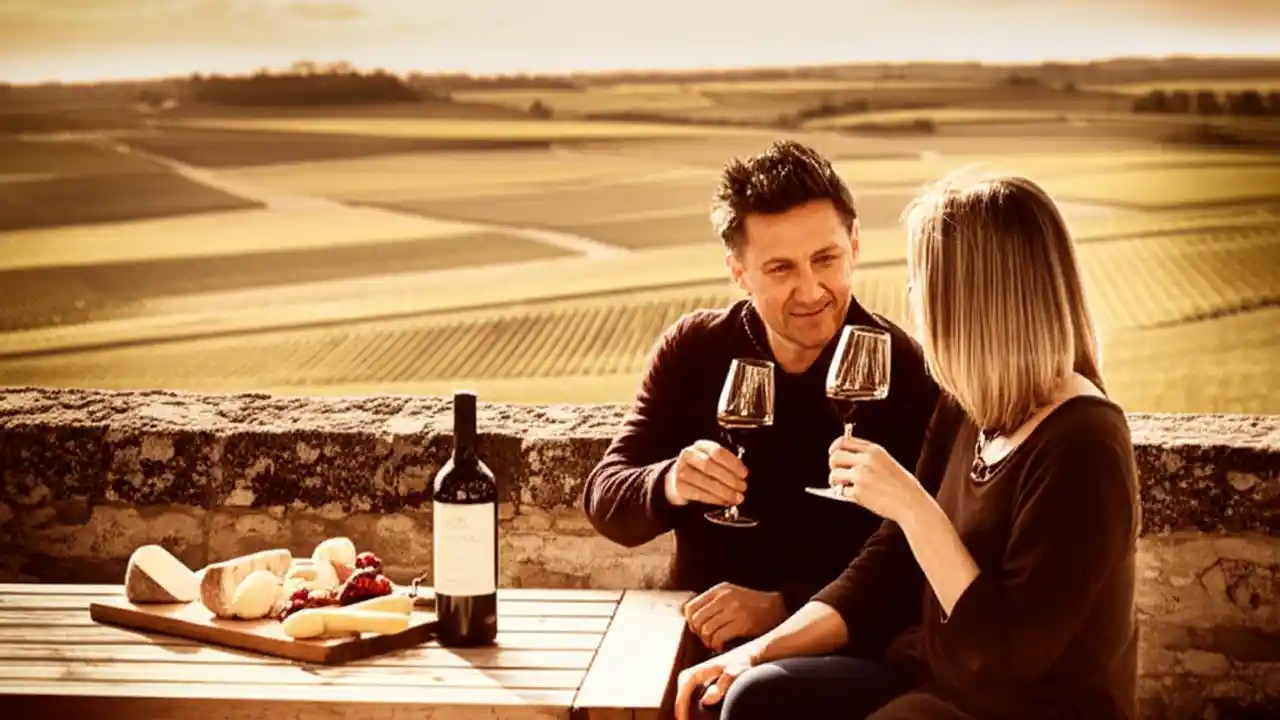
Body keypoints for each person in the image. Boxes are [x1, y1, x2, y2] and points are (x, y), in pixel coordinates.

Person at [673, 171, 1142, 720]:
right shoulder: (968, 404)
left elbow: (1007, 660)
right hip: (938, 680)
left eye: (922, 281)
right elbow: (890, 562)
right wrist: (758, 650)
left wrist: (914, 506)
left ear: (970, 301)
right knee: (750, 695)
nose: (912, 296)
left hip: (1018, 706)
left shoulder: (1084, 447)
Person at [580, 140, 940, 655]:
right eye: (781, 269)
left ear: (855, 244)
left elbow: (911, 559)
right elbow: (606, 499)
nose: (812, 289)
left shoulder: (899, 368)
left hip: (837, 654)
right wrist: (671, 482)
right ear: (738, 271)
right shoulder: (695, 349)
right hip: (700, 640)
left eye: (825, 259)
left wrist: (783, 606)